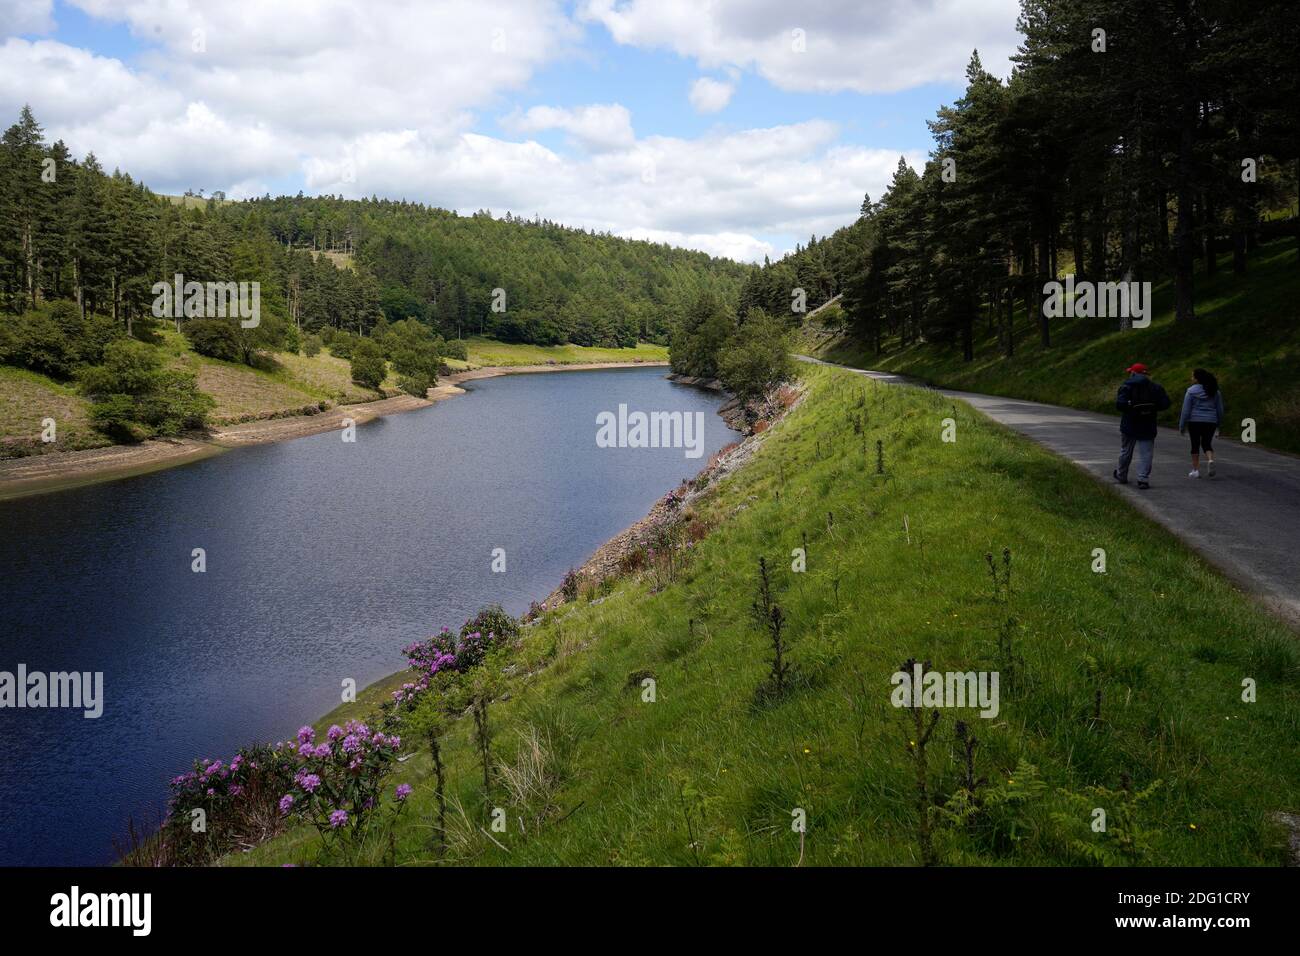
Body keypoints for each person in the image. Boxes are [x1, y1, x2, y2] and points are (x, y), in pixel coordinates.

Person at [1113, 362, 1171, 490]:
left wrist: (1130, 406)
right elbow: (1166, 404)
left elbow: (1119, 405)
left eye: (1130, 372)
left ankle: (1122, 475)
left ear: (1133, 373)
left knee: (1126, 451)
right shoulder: (1155, 387)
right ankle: (1143, 479)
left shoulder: (1126, 386)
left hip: (1129, 423)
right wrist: (1153, 407)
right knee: (1146, 453)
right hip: (1148, 423)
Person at [1178, 368, 1224, 479]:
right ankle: (1210, 459)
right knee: (1206, 443)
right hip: (1211, 421)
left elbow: (1186, 411)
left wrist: (1182, 425)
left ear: (1197, 379)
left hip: (1195, 421)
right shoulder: (1215, 391)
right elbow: (1220, 410)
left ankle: (1195, 470)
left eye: (1192, 376)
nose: (1191, 378)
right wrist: (1219, 423)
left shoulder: (1191, 391)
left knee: (1195, 444)